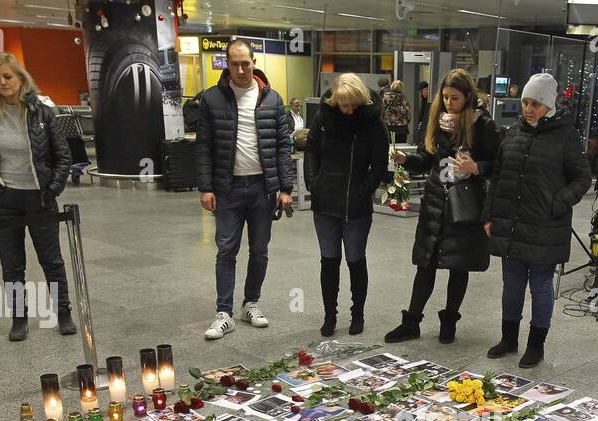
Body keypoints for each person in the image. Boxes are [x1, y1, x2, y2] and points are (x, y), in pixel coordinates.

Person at [0, 53, 75, 342]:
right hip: (3, 199)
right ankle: (19, 317)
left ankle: (63, 312)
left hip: (40, 198)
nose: (2, 83)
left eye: (7, 76)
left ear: (20, 77)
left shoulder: (42, 112)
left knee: (52, 261)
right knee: (12, 264)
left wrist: (53, 188)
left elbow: (63, 155)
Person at [483, 73, 591, 369]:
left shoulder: (565, 136)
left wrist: (557, 203)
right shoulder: (513, 133)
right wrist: (489, 215)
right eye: (526, 102)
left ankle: (535, 345)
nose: (529, 109)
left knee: (541, 285)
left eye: (536, 104)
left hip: (545, 226)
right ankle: (509, 339)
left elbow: (582, 178)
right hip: (512, 224)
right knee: (512, 285)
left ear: (549, 106)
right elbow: (498, 176)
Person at [384, 69, 500, 345]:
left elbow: (498, 164)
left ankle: (450, 321)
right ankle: (411, 322)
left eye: (455, 98)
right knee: (426, 264)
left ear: (468, 97)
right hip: (436, 201)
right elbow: (428, 159)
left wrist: (476, 167)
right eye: (445, 97)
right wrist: (405, 160)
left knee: (459, 265)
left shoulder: (482, 124)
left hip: (465, 204)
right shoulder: (437, 118)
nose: (449, 103)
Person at [195, 38, 294, 340]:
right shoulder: (212, 99)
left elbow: (282, 146)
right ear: (227, 65)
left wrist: (285, 187)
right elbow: (204, 146)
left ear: (254, 62)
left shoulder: (272, 99)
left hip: (263, 188)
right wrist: (206, 187)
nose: (240, 69)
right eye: (234, 64)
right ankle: (224, 312)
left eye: (245, 63)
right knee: (226, 249)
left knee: (259, 250)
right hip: (227, 188)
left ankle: (251, 303)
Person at [304, 74, 387, 338]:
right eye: (344, 105)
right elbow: (311, 150)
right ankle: (330, 316)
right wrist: (312, 182)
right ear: (336, 101)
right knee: (329, 262)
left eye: (353, 105)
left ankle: (357, 315)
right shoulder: (323, 118)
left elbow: (380, 164)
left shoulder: (373, 123)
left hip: (356, 205)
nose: (349, 110)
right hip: (325, 202)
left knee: (355, 260)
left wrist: (364, 192)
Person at [381, 79, 411, 143]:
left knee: (391, 144)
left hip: (389, 126)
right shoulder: (403, 97)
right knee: (401, 145)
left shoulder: (386, 97)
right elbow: (407, 110)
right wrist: (407, 120)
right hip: (402, 127)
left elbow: (382, 110)